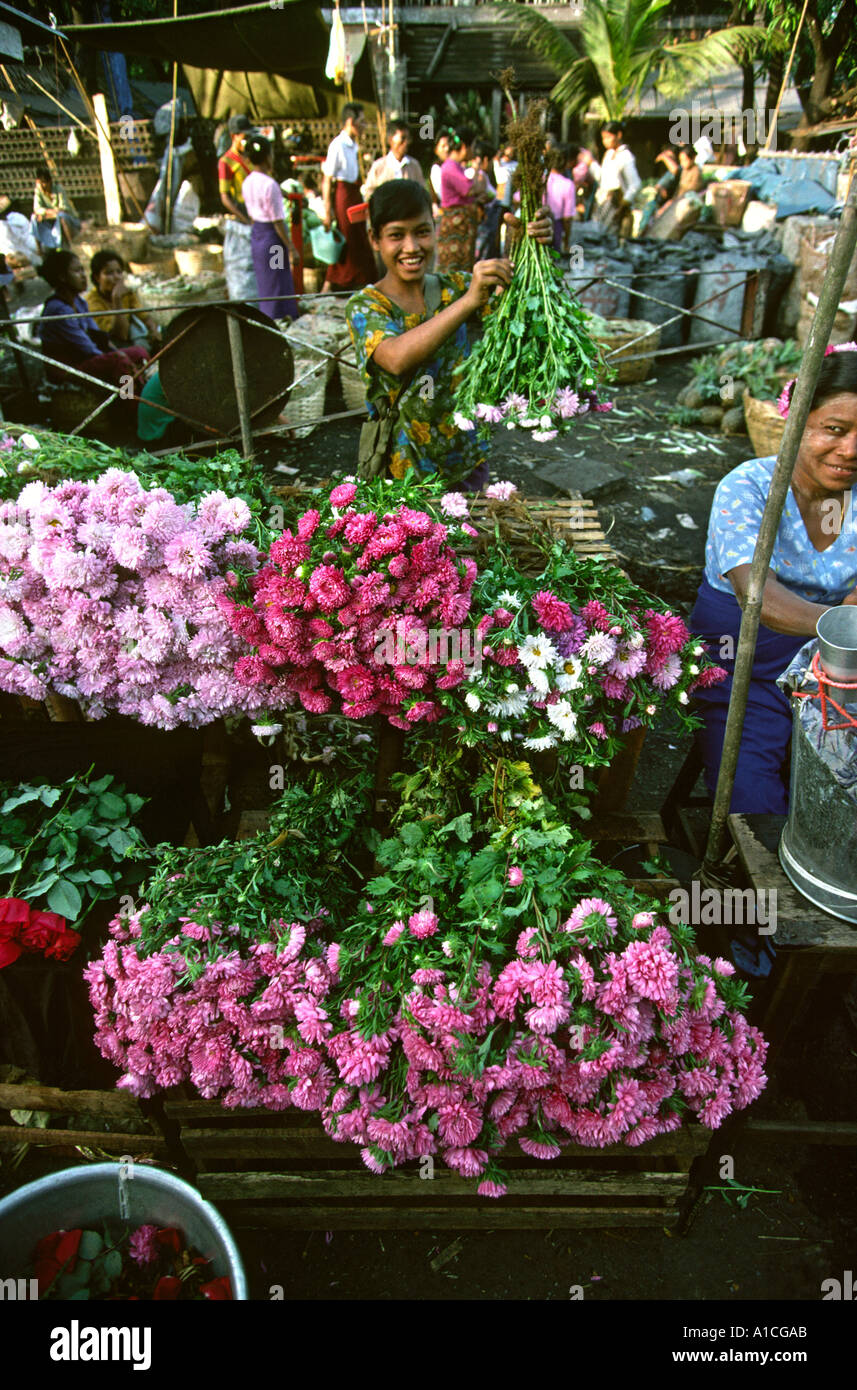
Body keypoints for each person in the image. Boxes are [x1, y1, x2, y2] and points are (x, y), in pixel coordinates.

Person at [690, 345, 857, 817]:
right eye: (834, 429)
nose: (850, 449)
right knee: (751, 803)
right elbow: (759, 599)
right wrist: (844, 628)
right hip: (744, 666)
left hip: (834, 673)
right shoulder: (748, 487)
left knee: (835, 797)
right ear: (797, 420)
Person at [345, 179, 553, 489]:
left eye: (422, 232)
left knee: (473, 533)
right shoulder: (366, 306)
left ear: (436, 230)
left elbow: (518, 316)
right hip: (406, 473)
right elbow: (396, 358)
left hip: (466, 459)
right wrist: (469, 301)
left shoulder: (454, 286)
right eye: (396, 236)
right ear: (375, 239)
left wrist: (527, 247)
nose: (412, 247)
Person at [37, 250, 148, 417]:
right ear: (62, 277)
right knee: (120, 362)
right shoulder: (58, 309)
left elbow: (98, 337)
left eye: (82, 270)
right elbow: (87, 347)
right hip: (68, 369)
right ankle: (132, 409)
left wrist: (114, 351)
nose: (83, 276)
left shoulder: (79, 303)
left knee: (139, 352)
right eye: (77, 271)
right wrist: (117, 357)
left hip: (84, 358)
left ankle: (144, 395)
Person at [241, 135, 299, 322]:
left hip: (258, 236)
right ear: (268, 157)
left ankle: (269, 317)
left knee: (266, 282)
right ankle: (279, 318)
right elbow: (277, 221)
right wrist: (290, 247)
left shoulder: (248, 181)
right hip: (273, 240)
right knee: (278, 281)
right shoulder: (270, 185)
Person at [320, 102, 376, 292]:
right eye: (361, 121)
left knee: (359, 238)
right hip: (343, 195)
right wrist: (328, 211)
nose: (364, 126)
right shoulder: (338, 145)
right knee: (347, 238)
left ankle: (361, 284)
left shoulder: (353, 145)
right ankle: (333, 285)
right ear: (351, 122)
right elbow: (327, 179)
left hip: (354, 194)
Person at [86, 250, 161, 352]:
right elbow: (121, 335)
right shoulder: (92, 302)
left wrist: (154, 330)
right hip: (112, 344)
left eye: (119, 272)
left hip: (131, 334)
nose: (116, 277)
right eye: (109, 273)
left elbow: (144, 316)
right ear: (97, 278)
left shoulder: (126, 292)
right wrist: (117, 299)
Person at [218, 114, 256, 302]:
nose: (247, 141)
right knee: (243, 268)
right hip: (243, 214)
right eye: (244, 137)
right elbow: (225, 197)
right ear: (234, 137)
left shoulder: (251, 158)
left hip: (256, 212)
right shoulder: (226, 162)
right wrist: (243, 218)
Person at [437, 127, 485, 273]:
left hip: (462, 225)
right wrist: (477, 170)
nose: (474, 151)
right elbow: (472, 189)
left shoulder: (456, 167)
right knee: (454, 268)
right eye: (473, 146)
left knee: (462, 267)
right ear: (464, 147)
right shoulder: (450, 168)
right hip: (455, 226)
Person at [593, 121, 641, 232]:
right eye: (603, 138)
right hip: (606, 204)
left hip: (619, 207)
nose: (605, 141)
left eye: (608, 137)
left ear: (618, 135)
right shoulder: (609, 154)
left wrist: (623, 205)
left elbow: (635, 184)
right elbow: (602, 178)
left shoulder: (625, 156)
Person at [362, 122, 425, 200]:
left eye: (408, 139)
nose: (406, 142)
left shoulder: (414, 166)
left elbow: (422, 193)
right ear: (390, 139)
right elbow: (369, 194)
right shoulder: (379, 166)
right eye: (403, 138)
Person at [31, 165, 79, 251]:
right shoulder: (38, 191)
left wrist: (47, 213)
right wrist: (50, 212)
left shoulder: (58, 188)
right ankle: (39, 250)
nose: (42, 186)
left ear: (50, 182)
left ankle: (72, 244)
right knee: (34, 218)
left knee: (62, 216)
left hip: (68, 218)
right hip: (51, 219)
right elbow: (37, 208)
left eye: (44, 182)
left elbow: (63, 208)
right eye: (39, 183)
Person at [544, 146, 576, 254]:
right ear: (565, 163)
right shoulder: (567, 185)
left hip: (536, 223)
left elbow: (516, 198)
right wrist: (566, 241)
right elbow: (567, 218)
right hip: (555, 227)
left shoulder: (539, 180)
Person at [429, 131, 453, 218]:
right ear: (436, 150)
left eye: (449, 145)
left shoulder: (455, 165)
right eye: (443, 146)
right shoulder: (437, 168)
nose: (447, 149)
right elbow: (442, 194)